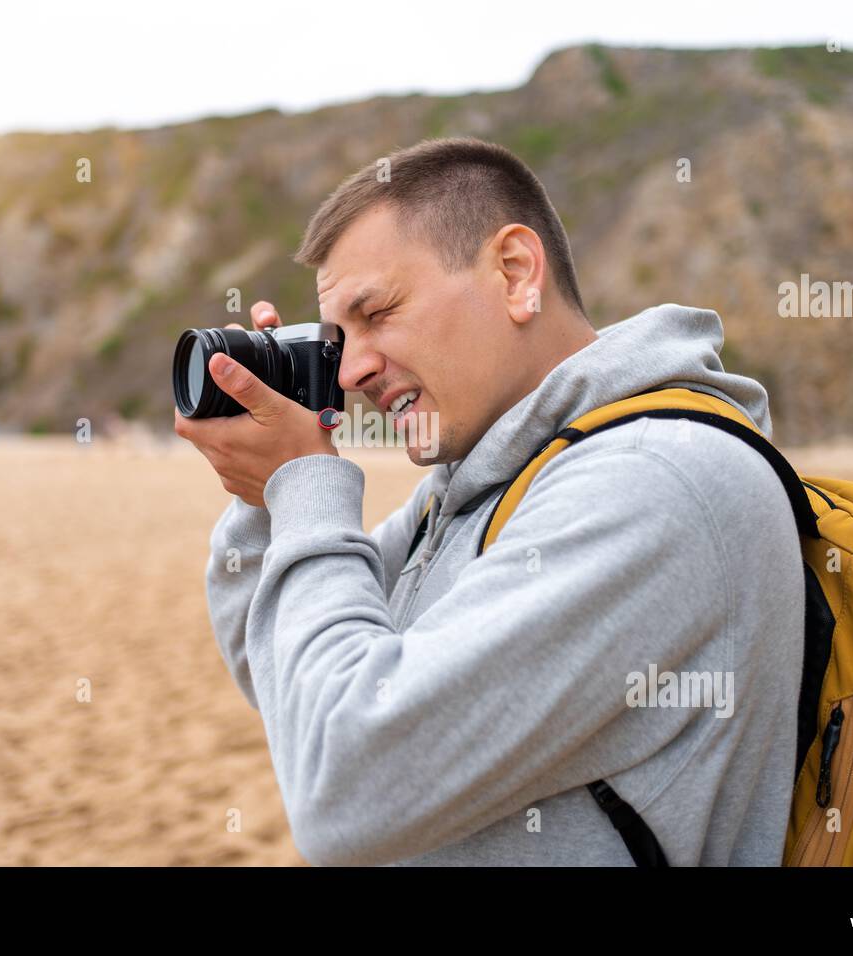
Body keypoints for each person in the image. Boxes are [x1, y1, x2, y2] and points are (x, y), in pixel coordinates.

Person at [173, 137, 804, 866]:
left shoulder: (655, 484)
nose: (350, 370)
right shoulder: (483, 484)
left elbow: (344, 784)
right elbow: (287, 675)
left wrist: (306, 482)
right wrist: (267, 496)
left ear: (514, 273)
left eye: (376, 312)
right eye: (337, 338)